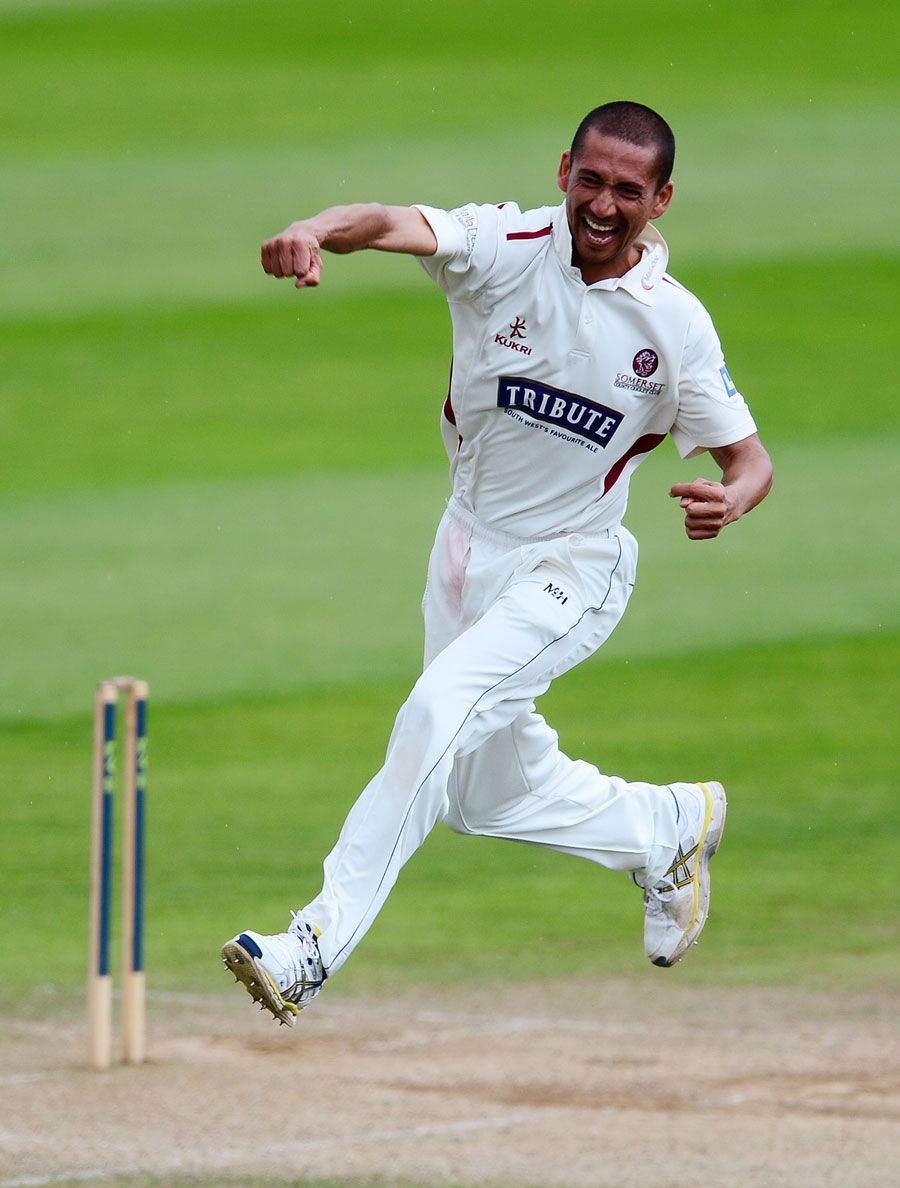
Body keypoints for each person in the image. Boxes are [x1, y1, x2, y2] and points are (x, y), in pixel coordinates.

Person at [222, 101, 773, 1024]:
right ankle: (663, 828)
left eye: (627, 191)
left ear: (662, 201)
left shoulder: (675, 328)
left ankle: (311, 945)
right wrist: (315, 229)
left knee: (438, 710)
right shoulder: (503, 243)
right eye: (590, 179)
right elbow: (394, 224)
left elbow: (747, 457)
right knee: (480, 794)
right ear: (564, 171)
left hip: (574, 568)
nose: (603, 204)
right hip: (465, 551)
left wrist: (734, 497)